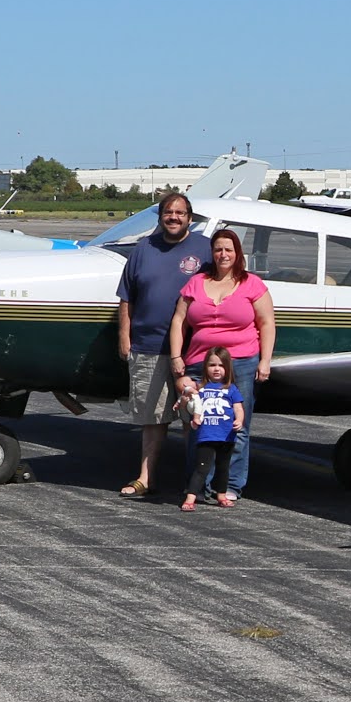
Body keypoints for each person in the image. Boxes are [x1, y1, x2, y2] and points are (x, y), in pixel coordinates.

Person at [115, 193, 214, 496]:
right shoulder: (143, 248)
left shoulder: (205, 248)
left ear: (190, 218)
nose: (174, 217)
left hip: (193, 349)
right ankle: (145, 479)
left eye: (180, 213)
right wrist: (124, 335)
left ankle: (194, 484)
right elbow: (126, 296)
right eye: (168, 212)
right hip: (148, 346)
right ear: (160, 216)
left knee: (192, 417)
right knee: (152, 418)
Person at [168, 227, 275, 506]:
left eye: (229, 249)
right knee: (196, 424)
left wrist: (264, 361)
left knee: (236, 426)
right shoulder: (196, 283)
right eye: (218, 249)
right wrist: (176, 357)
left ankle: (230, 486)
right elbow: (179, 321)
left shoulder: (252, 284)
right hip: (198, 363)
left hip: (240, 363)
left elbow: (266, 323)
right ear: (212, 253)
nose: (223, 254)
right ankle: (197, 484)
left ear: (238, 253)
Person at [179, 347, 246, 512]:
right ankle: (190, 498)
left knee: (223, 468)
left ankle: (221, 495)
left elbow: (238, 408)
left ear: (228, 368)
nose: (217, 369)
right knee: (202, 468)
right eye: (212, 365)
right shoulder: (200, 388)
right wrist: (184, 401)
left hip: (226, 436)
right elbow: (189, 402)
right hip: (206, 436)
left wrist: (239, 420)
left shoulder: (231, 389)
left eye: (221, 365)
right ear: (205, 368)